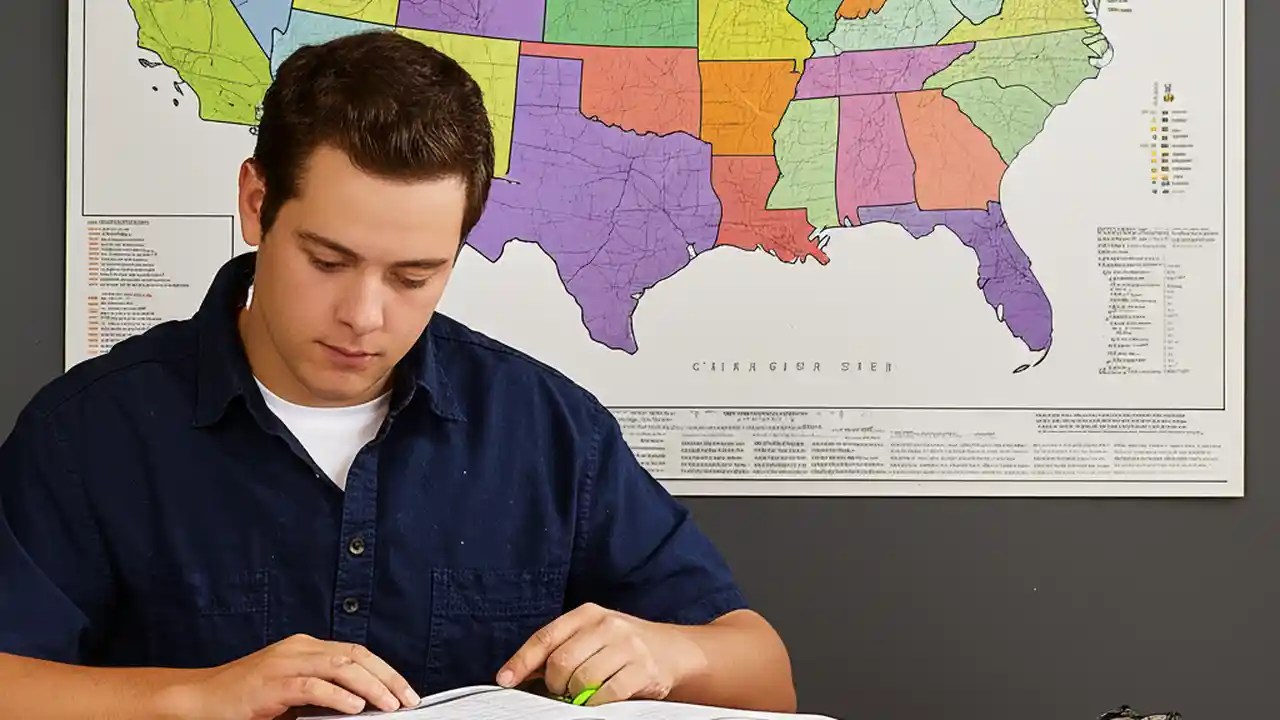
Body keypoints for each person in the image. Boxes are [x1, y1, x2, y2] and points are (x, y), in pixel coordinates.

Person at [0, 29, 795, 720]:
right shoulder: (87, 433)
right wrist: (200, 698)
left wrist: (666, 653)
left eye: (415, 276)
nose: (365, 315)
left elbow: (765, 675)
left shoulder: (549, 431)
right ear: (256, 202)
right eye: (327, 261)